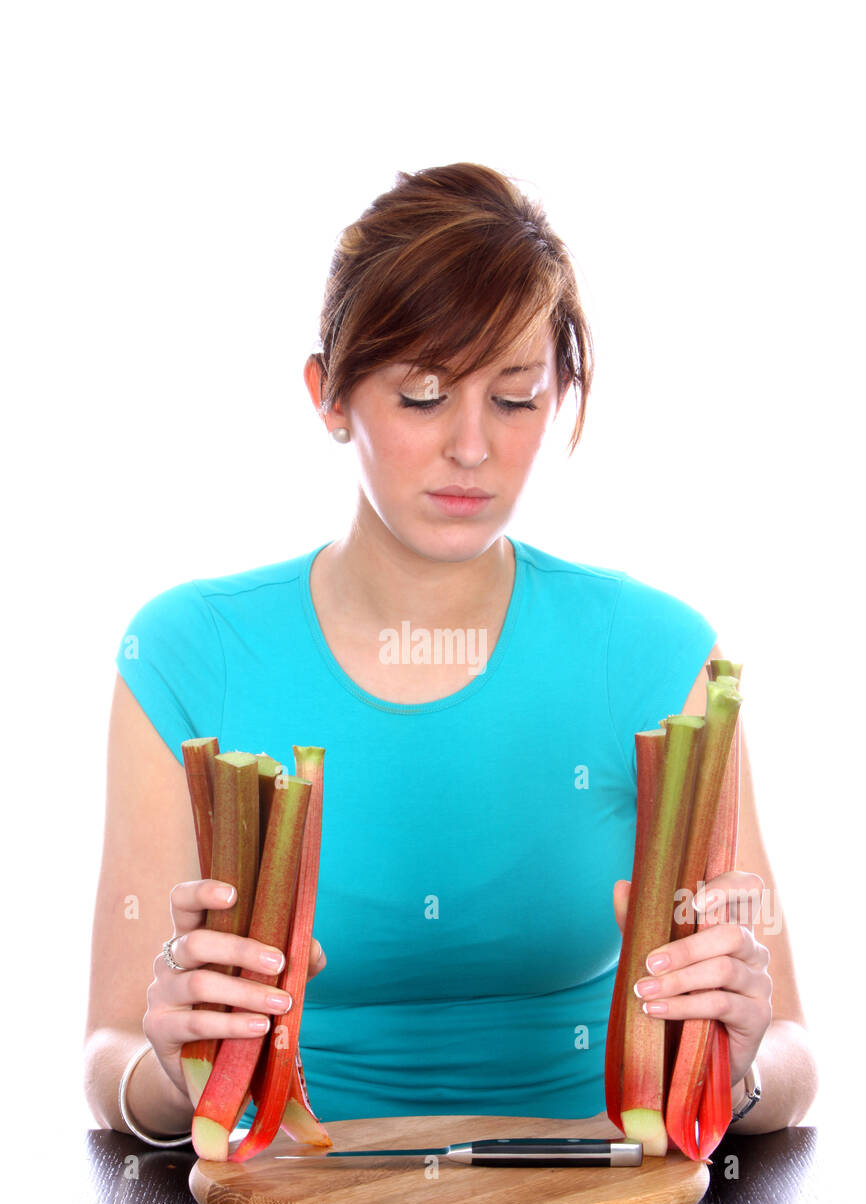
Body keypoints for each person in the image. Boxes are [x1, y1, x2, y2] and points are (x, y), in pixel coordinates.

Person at [84, 161, 817, 1147]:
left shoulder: (661, 655)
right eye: (423, 395)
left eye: (513, 399)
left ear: (554, 400)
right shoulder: (182, 654)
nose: (470, 447)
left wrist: (737, 1066)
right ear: (330, 397)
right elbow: (110, 1051)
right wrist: (172, 1080)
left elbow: (792, 1058)